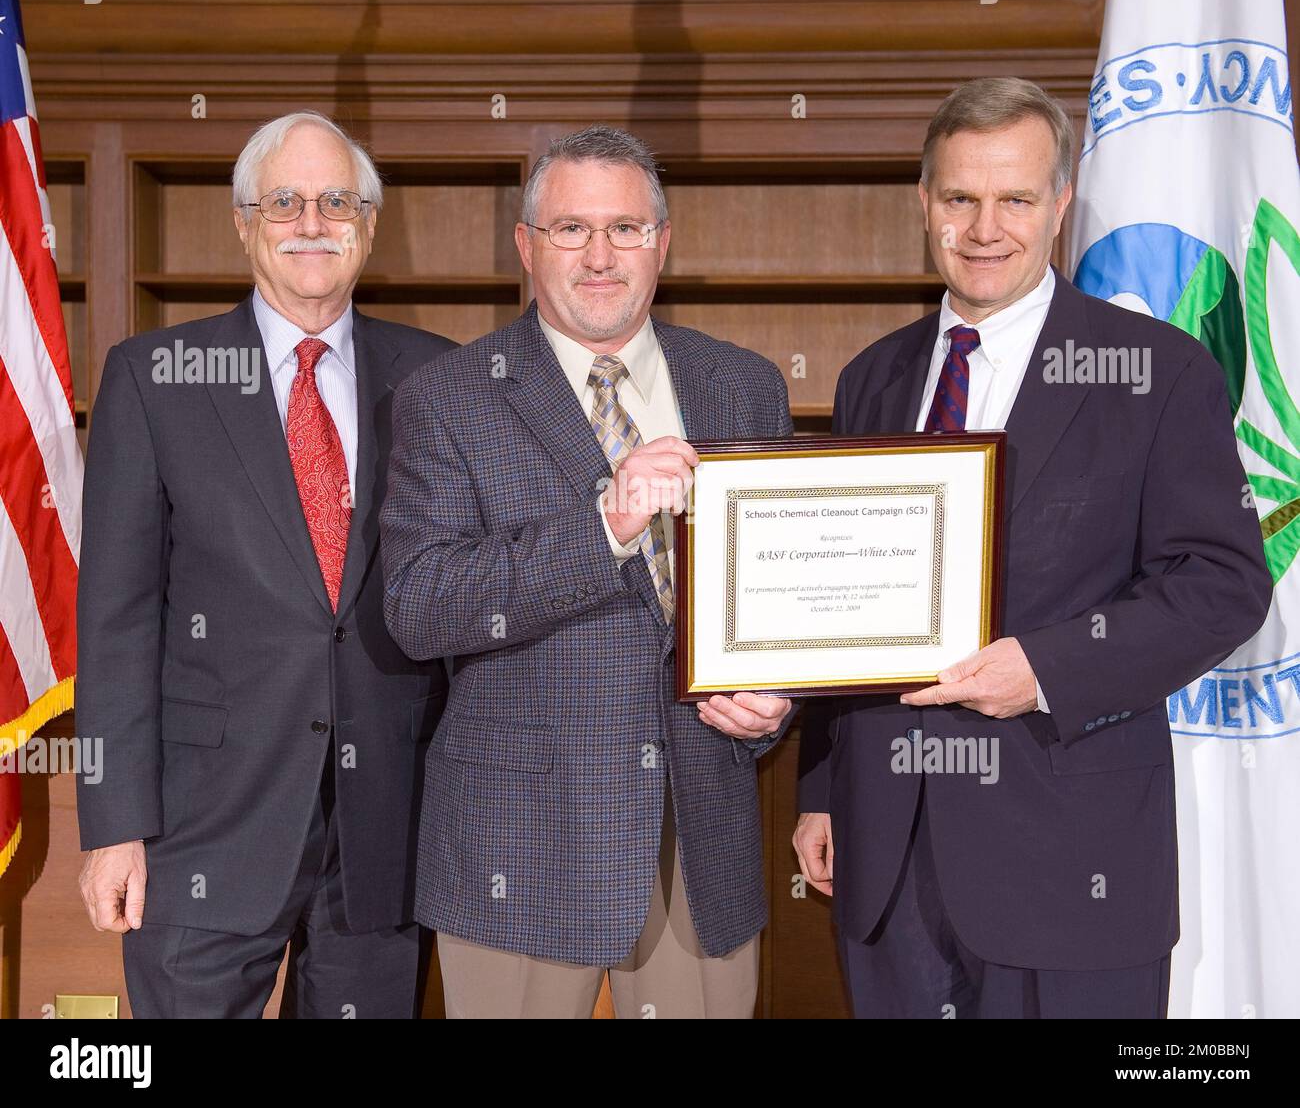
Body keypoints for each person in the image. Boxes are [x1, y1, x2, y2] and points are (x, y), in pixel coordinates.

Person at [794, 77, 1272, 1019]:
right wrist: (823, 786)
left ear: (1060, 204)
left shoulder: (1159, 371)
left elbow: (1222, 584)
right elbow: (839, 596)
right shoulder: (871, 378)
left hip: (1072, 862)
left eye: (1015, 199)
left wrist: (1046, 669)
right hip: (888, 859)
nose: (985, 228)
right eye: (961, 198)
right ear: (924, 201)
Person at [380, 124, 794, 1018]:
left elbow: (780, 592)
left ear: (662, 243)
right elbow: (419, 604)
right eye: (571, 229)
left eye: (626, 229)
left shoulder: (744, 385)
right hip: (520, 848)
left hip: (700, 837)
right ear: (527, 245)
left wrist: (777, 699)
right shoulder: (447, 396)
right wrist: (604, 526)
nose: (600, 256)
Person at [76, 111, 454, 1018]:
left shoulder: (440, 377)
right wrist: (114, 826)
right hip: (200, 832)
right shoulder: (155, 377)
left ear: (369, 225)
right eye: (284, 202)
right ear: (244, 224)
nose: (311, 223)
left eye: (336, 202)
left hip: (385, 833)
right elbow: (116, 617)